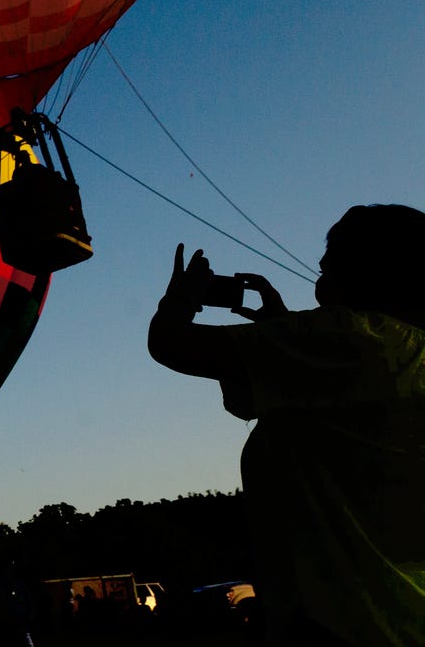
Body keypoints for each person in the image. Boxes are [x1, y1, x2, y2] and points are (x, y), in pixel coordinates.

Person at [147, 203, 425, 646]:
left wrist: (182, 296)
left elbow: (170, 343)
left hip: (340, 622)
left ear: (369, 269)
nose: (320, 272)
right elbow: (294, 391)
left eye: (330, 261)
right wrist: (285, 331)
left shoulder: (348, 337)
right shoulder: (404, 351)